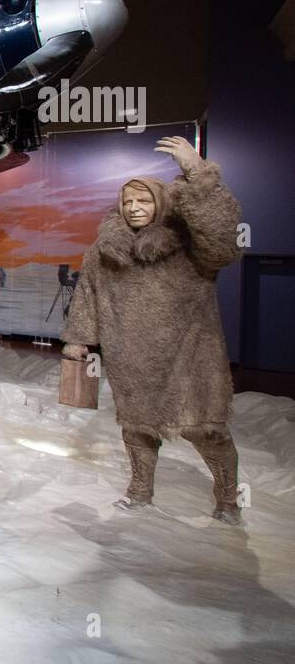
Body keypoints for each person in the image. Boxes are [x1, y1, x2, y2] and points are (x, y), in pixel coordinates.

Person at [63, 136, 242, 523]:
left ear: (160, 203)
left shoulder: (191, 243)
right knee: (137, 428)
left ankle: (228, 500)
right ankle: (139, 491)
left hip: (190, 357)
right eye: (127, 201)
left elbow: (223, 238)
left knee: (206, 430)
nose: (133, 208)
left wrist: (197, 171)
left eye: (143, 201)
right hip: (132, 356)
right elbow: (88, 293)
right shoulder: (105, 249)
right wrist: (79, 338)